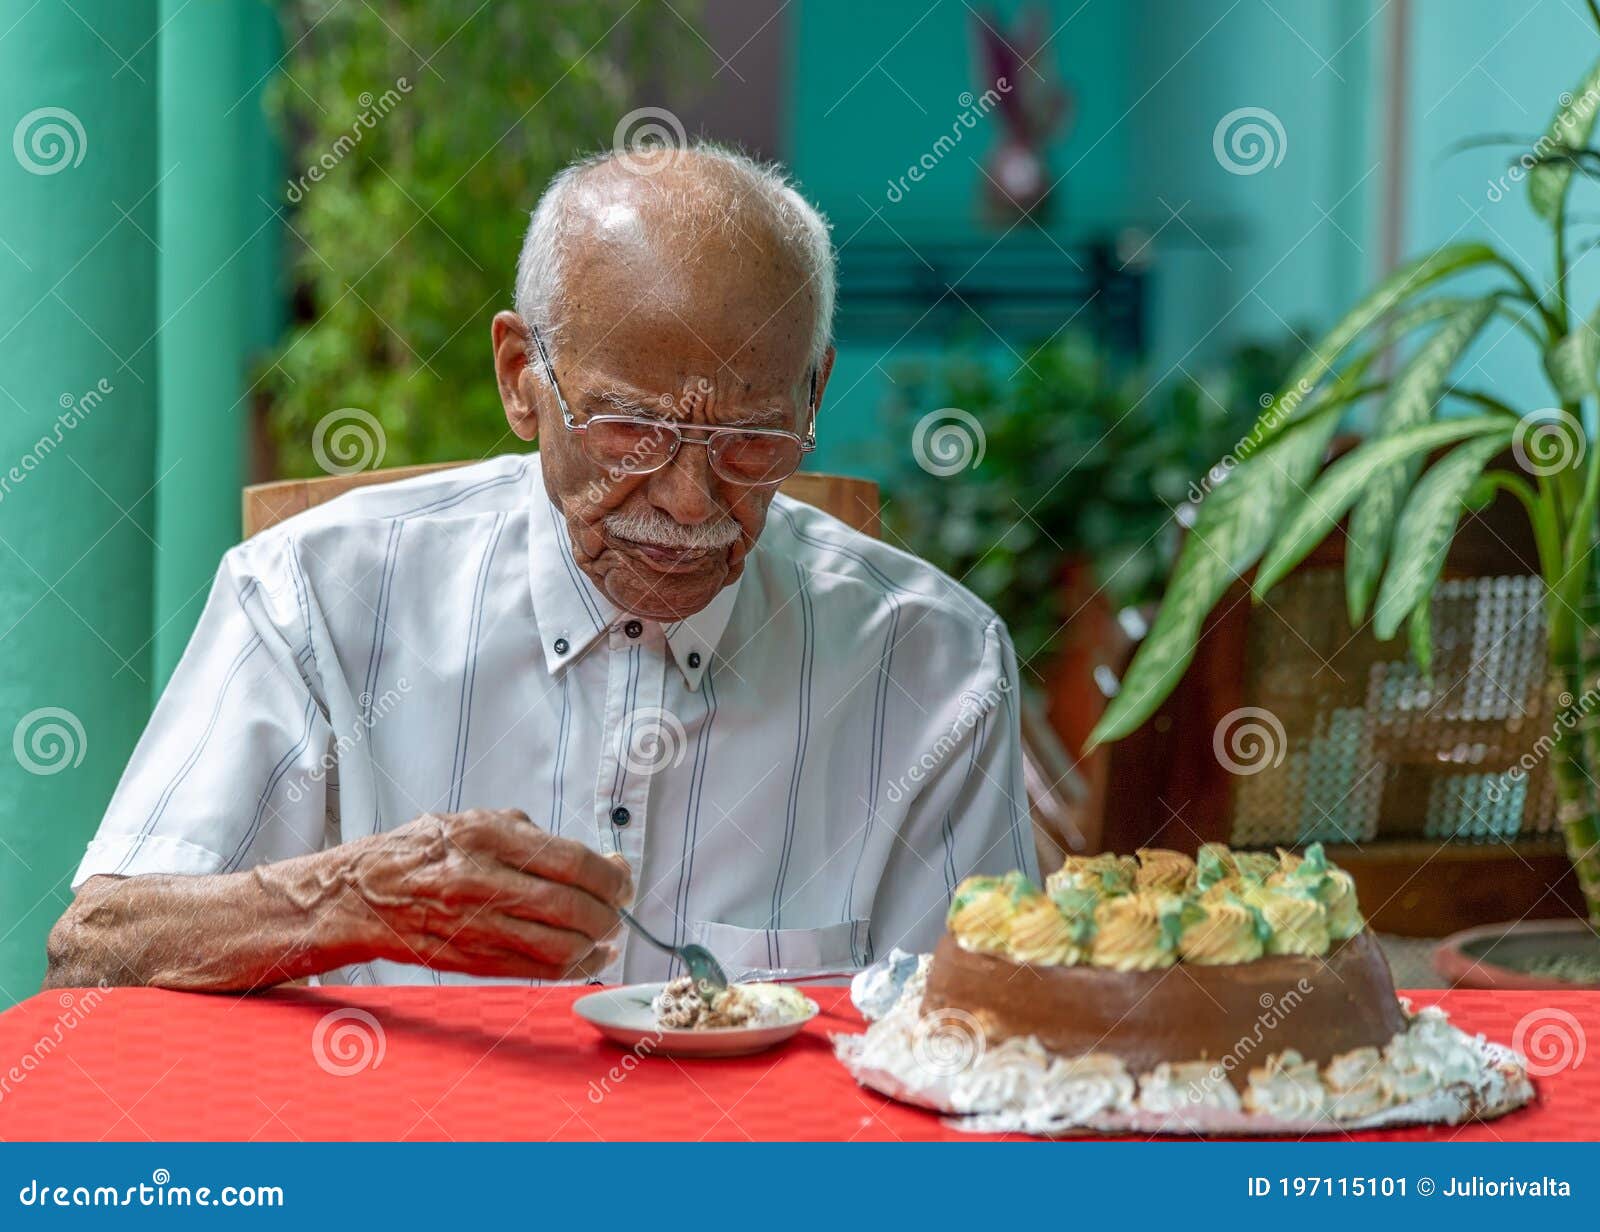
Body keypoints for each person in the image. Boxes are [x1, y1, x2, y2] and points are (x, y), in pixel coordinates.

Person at [44, 143, 1036, 992]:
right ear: (522, 378)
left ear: (812, 394)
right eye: (627, 428)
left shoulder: (933, 664)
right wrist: (351, 898)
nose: (688, 501)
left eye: (748, 436)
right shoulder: (313, 595)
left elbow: (987, 1038)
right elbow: (93, 953)